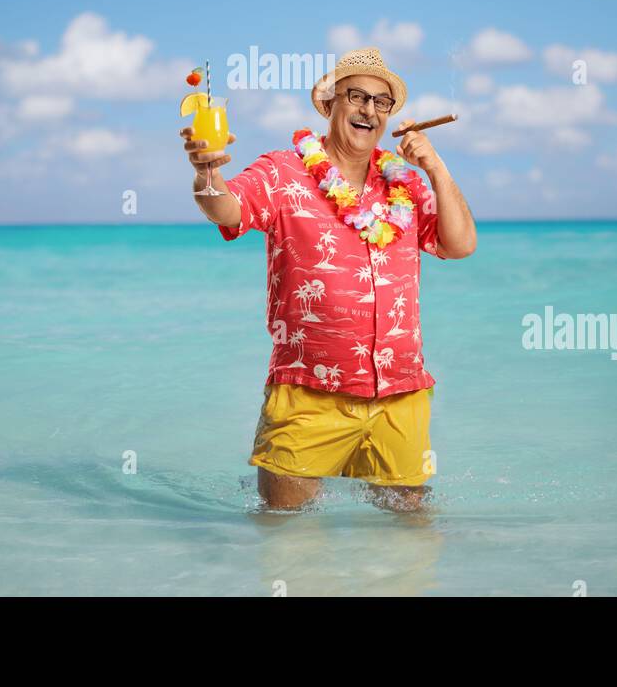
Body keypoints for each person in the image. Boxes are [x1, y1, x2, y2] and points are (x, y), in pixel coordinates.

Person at [180, 47, 476, 512]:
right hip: (307, 394)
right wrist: (206, 173)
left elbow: (460, 245)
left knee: (410, 541)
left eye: (381, 102)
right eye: (356, 96)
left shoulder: (406, 184)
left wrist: (435, 168)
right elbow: (226, 207)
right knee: (286, 537)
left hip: (400, 394)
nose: (368, 110)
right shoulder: (282, 172)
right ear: (329, 105)